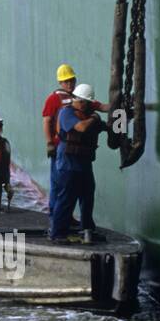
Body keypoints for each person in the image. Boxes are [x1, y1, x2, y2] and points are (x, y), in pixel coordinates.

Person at [49, 84, 106, 243]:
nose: (88, 106)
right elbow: (80, 128)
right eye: (87, 103)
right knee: (66, 197)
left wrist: (122, 116)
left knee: (88, 197)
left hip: (84, 164)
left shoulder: (87, 115)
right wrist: (94, 117)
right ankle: (58, 233)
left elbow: (108, 127)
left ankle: (87, 229)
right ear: (80, 101)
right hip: (68, 164)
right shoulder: (66, 113)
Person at [42, 64, 78, 210]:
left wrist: (115, 105)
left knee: (69, 183)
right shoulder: (54, 99)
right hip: (59, 147)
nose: (69, 83)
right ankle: (54, 215)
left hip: (73, 147)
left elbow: (98, 106)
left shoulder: (78, 98)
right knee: (58, 182)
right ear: (60, 83)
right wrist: (50, 143)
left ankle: (66, 216)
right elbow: (47, 120)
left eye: (71, 80)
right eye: (66, 81)